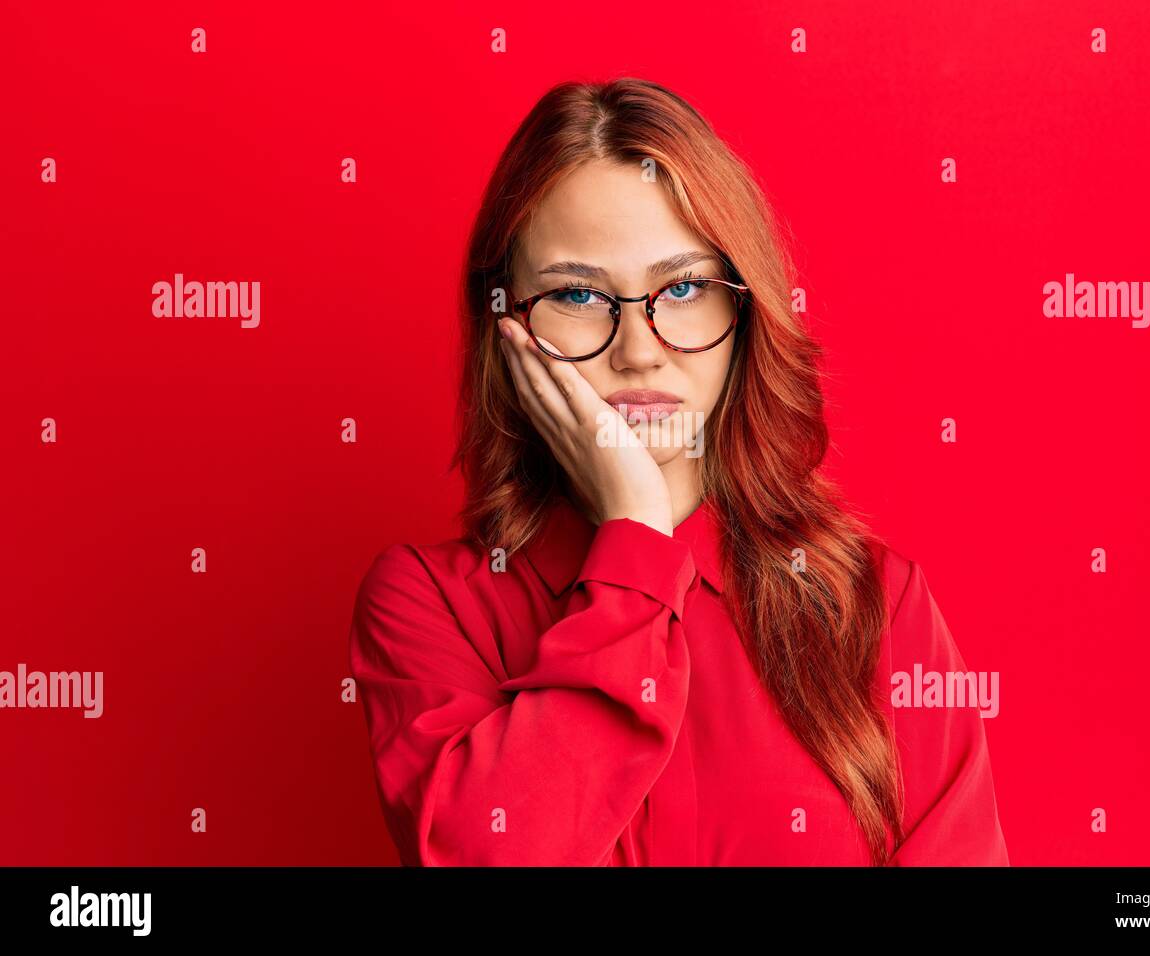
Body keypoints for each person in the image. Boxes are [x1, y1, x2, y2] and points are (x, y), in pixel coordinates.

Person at [348, 77, 1009, 866]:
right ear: (505, 324)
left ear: (744, 312)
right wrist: (634, 535)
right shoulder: (428, 607)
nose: (638, 349)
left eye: (684, 287)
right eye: (579, 295)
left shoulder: (873, 607)